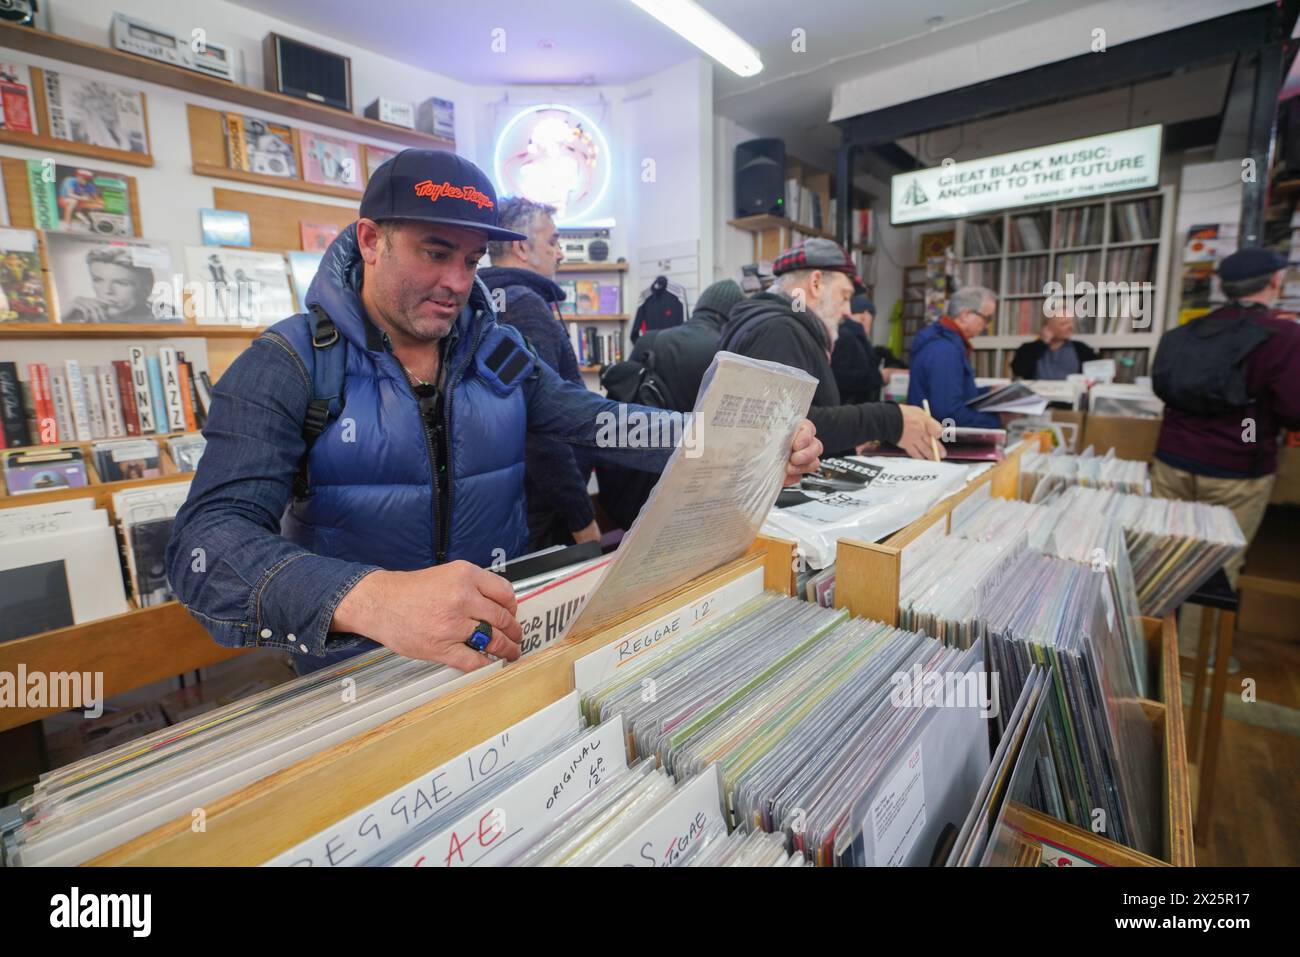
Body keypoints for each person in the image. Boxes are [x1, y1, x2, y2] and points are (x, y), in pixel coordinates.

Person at [166, 149, 823, 675]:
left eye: (472, 258)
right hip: (353, 680)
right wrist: (369, 598)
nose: (459, 281)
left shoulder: (496, 353)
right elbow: (204, 545)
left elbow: (597, 420)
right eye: (435, 251)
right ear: (370, 240)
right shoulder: (287, 363)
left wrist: (742, 440)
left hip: (490, 656)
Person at [1151, 247, 1300, 584]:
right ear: (1275, 281)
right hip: (1237, 462)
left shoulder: (1184, 332)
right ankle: (1192, 639)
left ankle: (1153, 634)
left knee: (1160, 556)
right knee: (1213, 571)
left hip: (1172, 458)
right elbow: (1294, 411)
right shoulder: (1285, 336)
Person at [719, 237, 943, 459]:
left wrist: (848, 445)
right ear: (816, 283)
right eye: (844, 296)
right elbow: (784, 429)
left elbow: (802, 431)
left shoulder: (786, 327)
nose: (847, 311)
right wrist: (888, 419)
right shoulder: (779, 330)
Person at [478, 196, 599, 551]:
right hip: (543, 505)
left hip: (514, 497)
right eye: (553, 241)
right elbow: (539, 425)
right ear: (520, 247)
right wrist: (583, 521)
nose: (560, 253)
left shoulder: (489, 300)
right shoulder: (523, 305)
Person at [596, 279, 746, 529]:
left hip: (644, 478)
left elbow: (626, 405)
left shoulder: (651, 341)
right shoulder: (730, 353)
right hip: (699, 487)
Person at [907, 285, 1000, 429]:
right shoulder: (944, 351)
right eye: (987, 318)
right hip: (942, 443)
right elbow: (947, 414)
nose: (987, 326)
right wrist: (997, 421)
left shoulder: (946, 343)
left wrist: (989, 391)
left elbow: (953, 393)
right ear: (965, 315)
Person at [61, 245, 171, 323]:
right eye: (98, 280)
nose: (107, 291)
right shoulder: (79, 315)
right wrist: (62, 319)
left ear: (146, 289)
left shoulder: (169, 318)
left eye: (121, 283)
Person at [831, 294, 904, 403]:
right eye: (872, 318)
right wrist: (880, 376)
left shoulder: (852, 337)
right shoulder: (846, 337)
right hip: (850, 411)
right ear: (864, 315)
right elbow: (839, 378)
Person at [1009, 303, 1097, 380]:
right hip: (1038, 396)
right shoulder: (1028, 348)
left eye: (1071, 323)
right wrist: (1041, 344)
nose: (1071, 327)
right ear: (1048, 326)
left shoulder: (1082, 349)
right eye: (1064, 323)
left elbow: (1097, 375)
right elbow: (1018, 371)